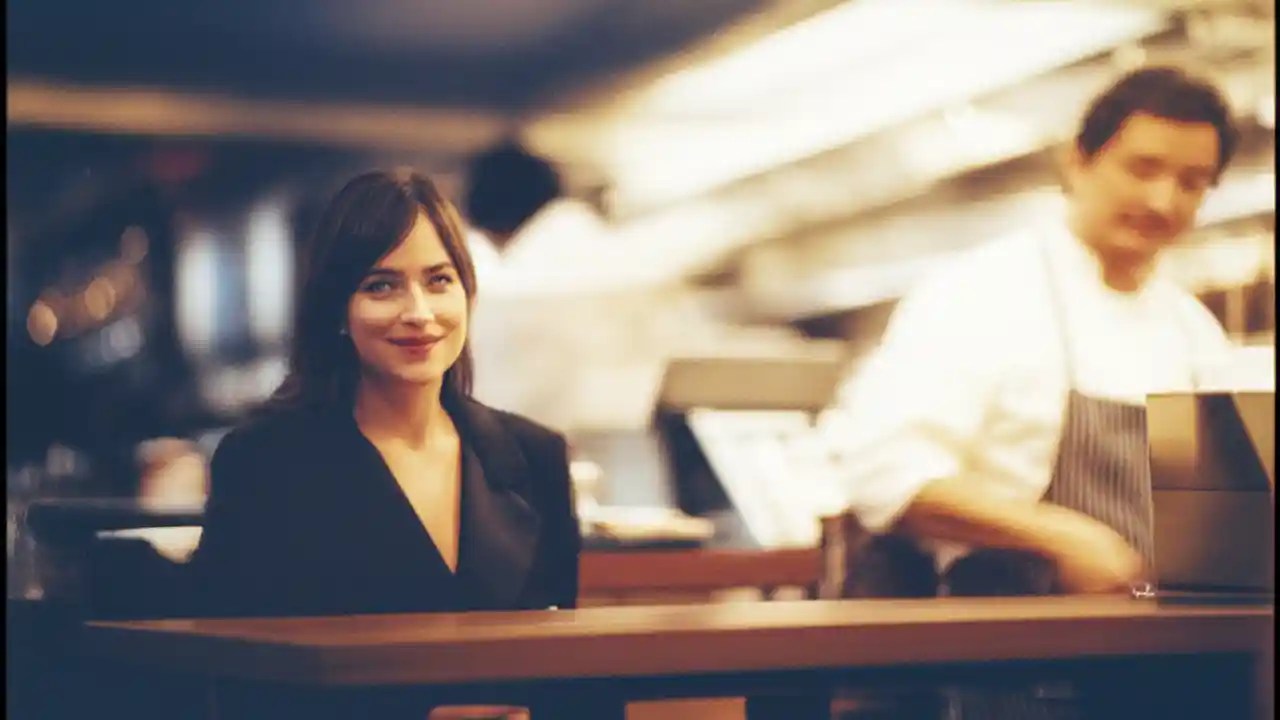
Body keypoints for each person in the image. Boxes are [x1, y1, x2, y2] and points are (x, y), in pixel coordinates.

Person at [828, 66, 1238, 716]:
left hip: (1146, 673)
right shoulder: (985, 293)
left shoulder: (1191, 330)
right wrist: (1061, 536)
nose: (1164, 201)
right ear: (1079, 160)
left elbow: (1222, 522)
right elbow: (887, 477)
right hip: (998, 667)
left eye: (1191, 182)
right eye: (1143, 168)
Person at [184, 170, 593, 718]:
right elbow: (238, 687)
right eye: (381, 285)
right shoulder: (265, 463)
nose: (419, 313)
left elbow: (566, 673)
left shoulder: (535, 457)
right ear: (336, 308)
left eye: (439, 280)